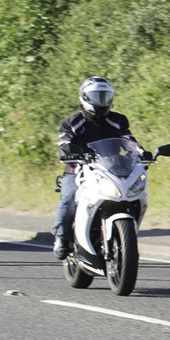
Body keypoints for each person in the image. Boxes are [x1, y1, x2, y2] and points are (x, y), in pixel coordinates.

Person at [53, 77, 136, 259]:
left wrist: (139, 151)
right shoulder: (73, 121)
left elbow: (127, 139)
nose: (101, 102)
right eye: (97, 97)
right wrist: (70, 150)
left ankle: (126, 236)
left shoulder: (118, 120)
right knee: (68, 198)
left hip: (110, 169)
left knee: (133, 193)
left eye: (105, 97)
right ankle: (61, 237)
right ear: (85, 98)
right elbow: (64, 140)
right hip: (78, 170)